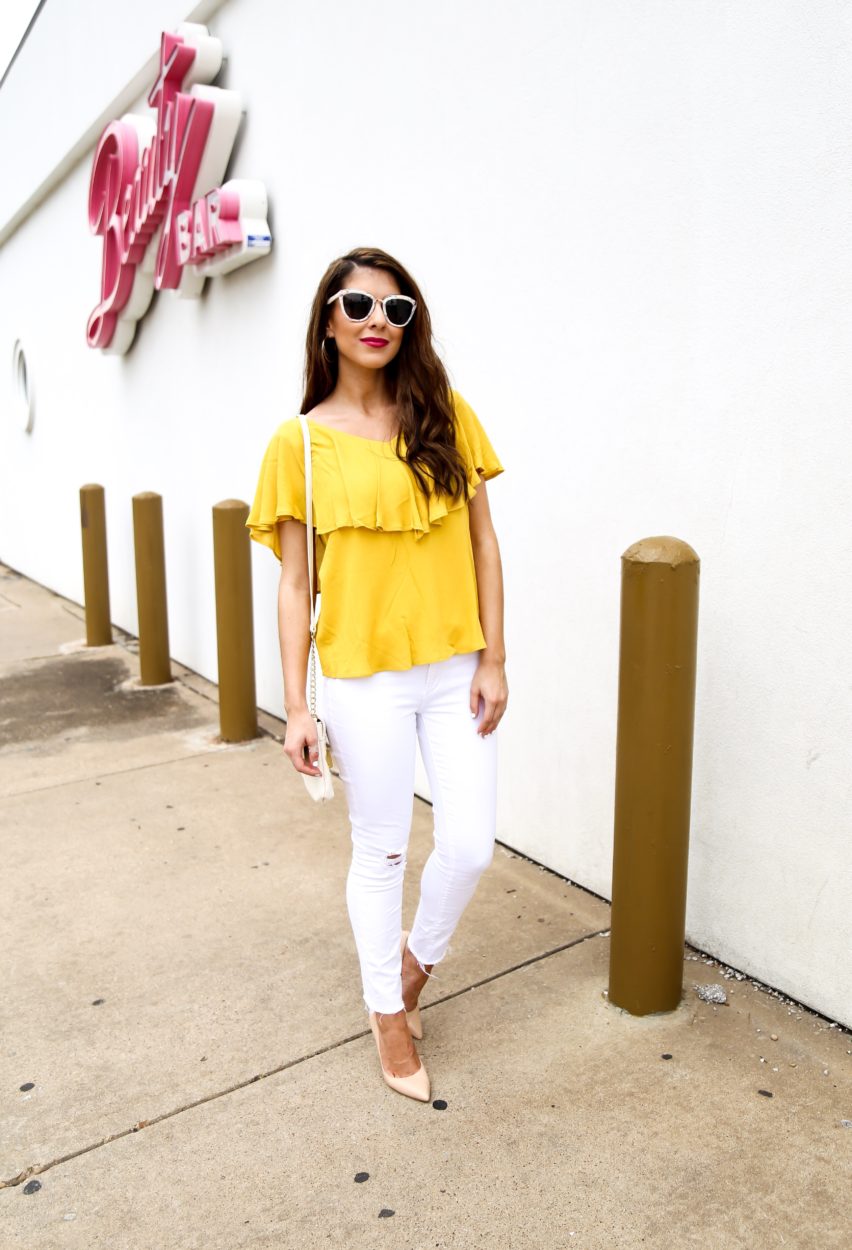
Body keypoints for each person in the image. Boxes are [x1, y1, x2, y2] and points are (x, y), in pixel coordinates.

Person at [246, 246, 508, 1103]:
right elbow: (294, 582)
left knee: (469, 844)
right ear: (328, 319)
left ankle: (412, 970)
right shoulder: (302, 445)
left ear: (411, 325)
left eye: (396, 312)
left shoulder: (444, 413)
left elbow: (481, 542)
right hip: (363, 679)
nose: (375, 324)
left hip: (454, 666)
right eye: (358, 306)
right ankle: (385, 1015)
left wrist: (494, 656)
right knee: (383, 849)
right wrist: (295, 707)